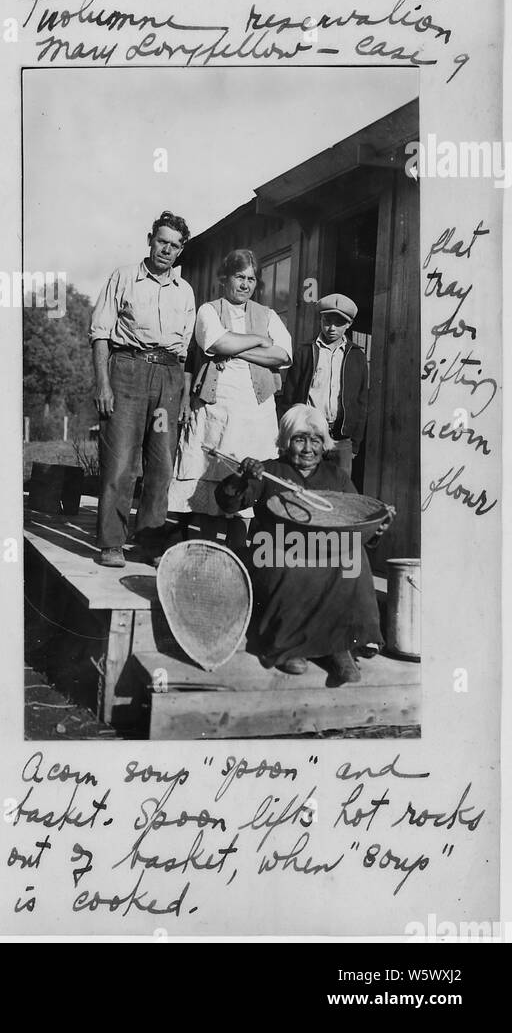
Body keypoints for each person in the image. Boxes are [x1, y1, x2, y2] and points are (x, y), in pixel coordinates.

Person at [214, 404, 392, 687]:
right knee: (294, 566)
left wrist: (377, 530)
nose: (308, 448)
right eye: (299, 439)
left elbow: (355, 524)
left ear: (325, 444)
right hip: (272, 549)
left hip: (323, 548)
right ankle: (289, 647)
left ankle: (341, 647)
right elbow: (228, 502)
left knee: (351, 558)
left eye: (316, 440)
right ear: (286, 442)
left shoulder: (337, 478)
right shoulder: (269, 470)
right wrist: (243, 478)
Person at [89, 211, 196, 568]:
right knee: (120, 462)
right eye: (162, 241)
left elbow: (183, 352)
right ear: (150, 238)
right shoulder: (123, 277)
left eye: (175, 245)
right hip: (127, 372)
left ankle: (149, 542)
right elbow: (101, 334)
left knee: (161, 465)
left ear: (181, 251)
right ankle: (112, 543)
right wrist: (103, 383)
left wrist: (182, 397)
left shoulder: (185, 292)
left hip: (167, 379)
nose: (167, 249)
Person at [169, 248, 291, 531]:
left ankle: (238, 547)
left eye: (251, 278)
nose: (245, 284)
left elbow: (283, 355)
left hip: (256, 411)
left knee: (247, 474)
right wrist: (259, 340)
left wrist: (238, 350)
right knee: (210, 471)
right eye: (239, 277)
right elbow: (216, 343)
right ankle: (203, 544)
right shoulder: (209, 310)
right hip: (217, 406)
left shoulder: (268, 314)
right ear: (225, 278)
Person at [280, 292, 369, 478]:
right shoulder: (305, 352)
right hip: (308, 435)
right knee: (304, 486)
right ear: (320, 319)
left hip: (342, 440)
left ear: (349, 324)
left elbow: (361, 401)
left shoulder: (356, 356)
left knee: (339, 493)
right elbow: (289, 396)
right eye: (327, 321)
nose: (332, 328)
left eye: (339, 323)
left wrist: (355, 442)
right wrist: (290, 433)